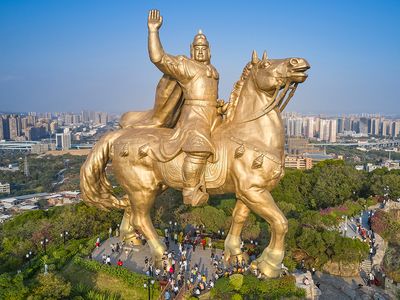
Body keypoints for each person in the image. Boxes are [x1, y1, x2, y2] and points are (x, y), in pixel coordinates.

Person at [147, 9, 220, 206]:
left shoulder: (213, 71)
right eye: (197, 48)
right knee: (199, 146)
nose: (200, 51)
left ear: (210, 50)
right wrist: (153, 31)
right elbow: (159, 58)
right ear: (191, 49)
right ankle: (190, 190)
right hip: (194, 118)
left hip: (213, 116)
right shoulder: (187, 66)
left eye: (203, 48)